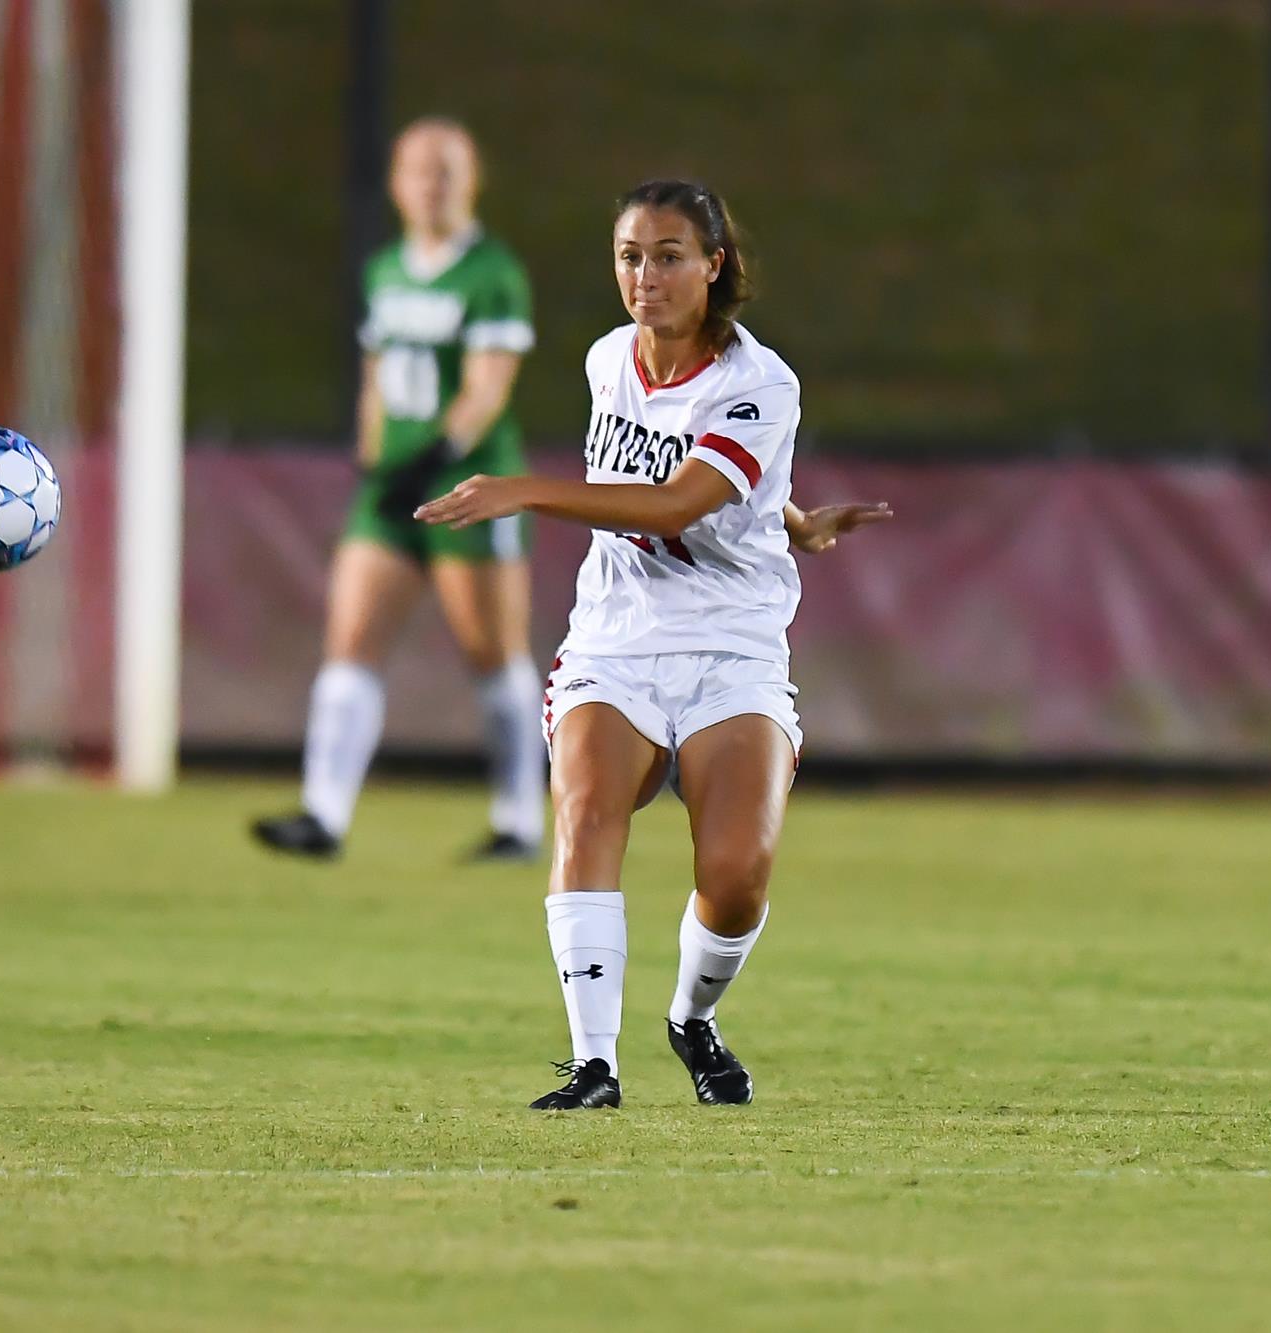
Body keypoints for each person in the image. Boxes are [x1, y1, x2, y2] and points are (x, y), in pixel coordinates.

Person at [415, 179, 892, 1107]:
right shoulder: (607, 361)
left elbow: (680, 499)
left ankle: (690, 1018)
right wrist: (792, 517)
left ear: (714, 267)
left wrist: (524, 490)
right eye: (630, 256)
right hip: (615, 641)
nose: (646, 276)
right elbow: (673, 472)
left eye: (669, 255)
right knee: (587, 811)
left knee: (735, 874)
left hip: (733, 647)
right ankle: (595, 1063)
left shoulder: (761, 381)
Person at [252, 118, 545, 863]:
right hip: (394, 484)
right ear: (395, 183)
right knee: (350, 640)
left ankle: (522, 819)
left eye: (446, 171)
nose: (431, 186)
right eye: (418, 171)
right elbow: (379, 379)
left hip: (466, 484)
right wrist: (374, 454)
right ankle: (324, 814)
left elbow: (488, 389)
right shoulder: (385, 269)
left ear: (471, 181)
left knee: (491, 650)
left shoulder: (493, 274)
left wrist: (436, 455)